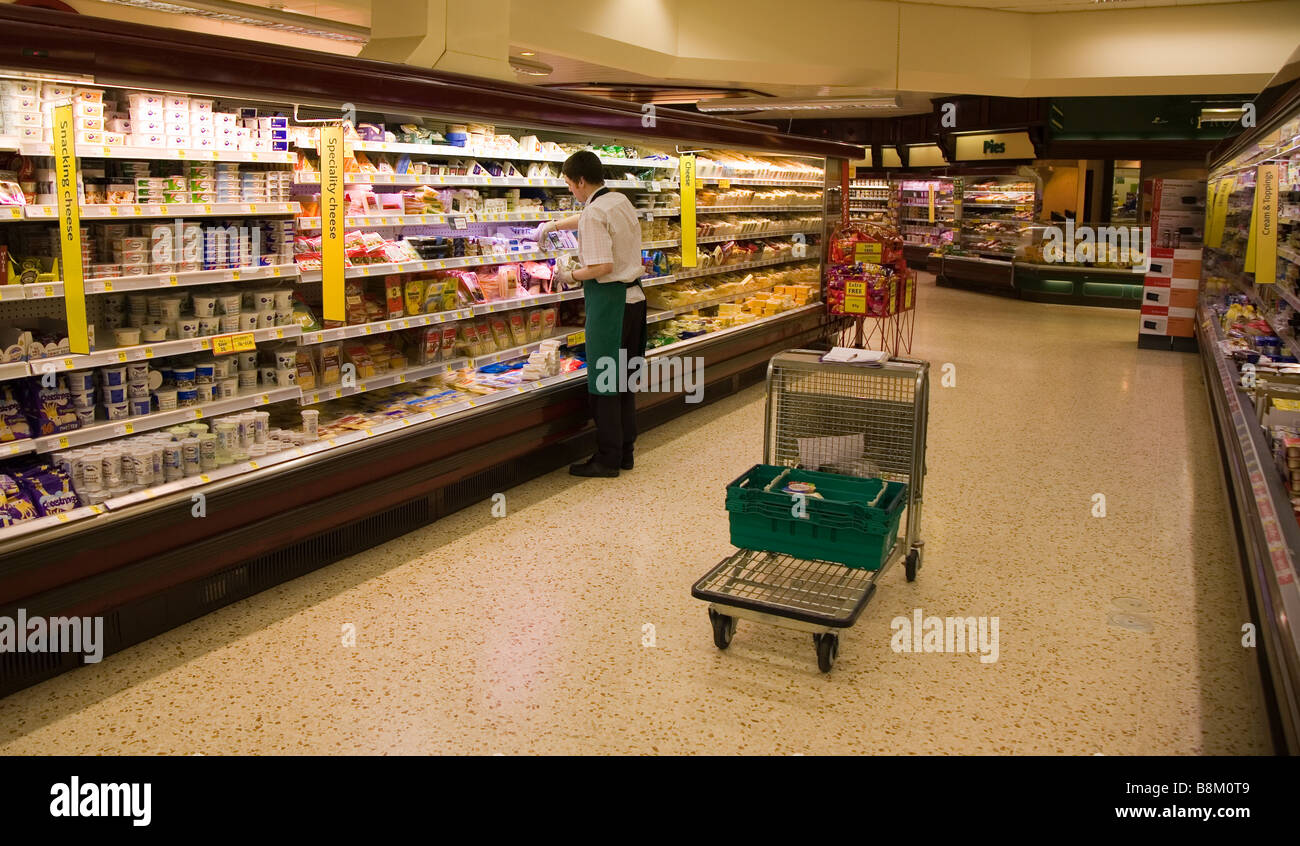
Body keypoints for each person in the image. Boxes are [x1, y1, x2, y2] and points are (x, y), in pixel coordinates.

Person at [534, 150, 646, 478]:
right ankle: (625, 453)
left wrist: (569, 275)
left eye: (569, 185)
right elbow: (588, 216)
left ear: (581, 181)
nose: (570, 190)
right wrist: (552, 225)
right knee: (624, 381)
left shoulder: (595, 214)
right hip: (634, 302)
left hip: (610, 305)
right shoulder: (618, 200)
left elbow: (601, 267)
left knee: (605, 384)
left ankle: (607, 459)